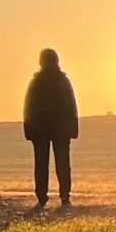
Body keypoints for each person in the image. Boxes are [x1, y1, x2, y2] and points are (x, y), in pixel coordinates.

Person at [22, 49, 79, 208]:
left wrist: (28, 128)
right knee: (62, 163)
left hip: (41, 129)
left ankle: (42, 197)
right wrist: (73, 127)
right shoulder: (62, 81)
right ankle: (64, 196)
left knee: (41, 164)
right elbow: (71, 105)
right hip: (59, 129)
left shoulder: (37, 82)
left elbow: (28, 107)